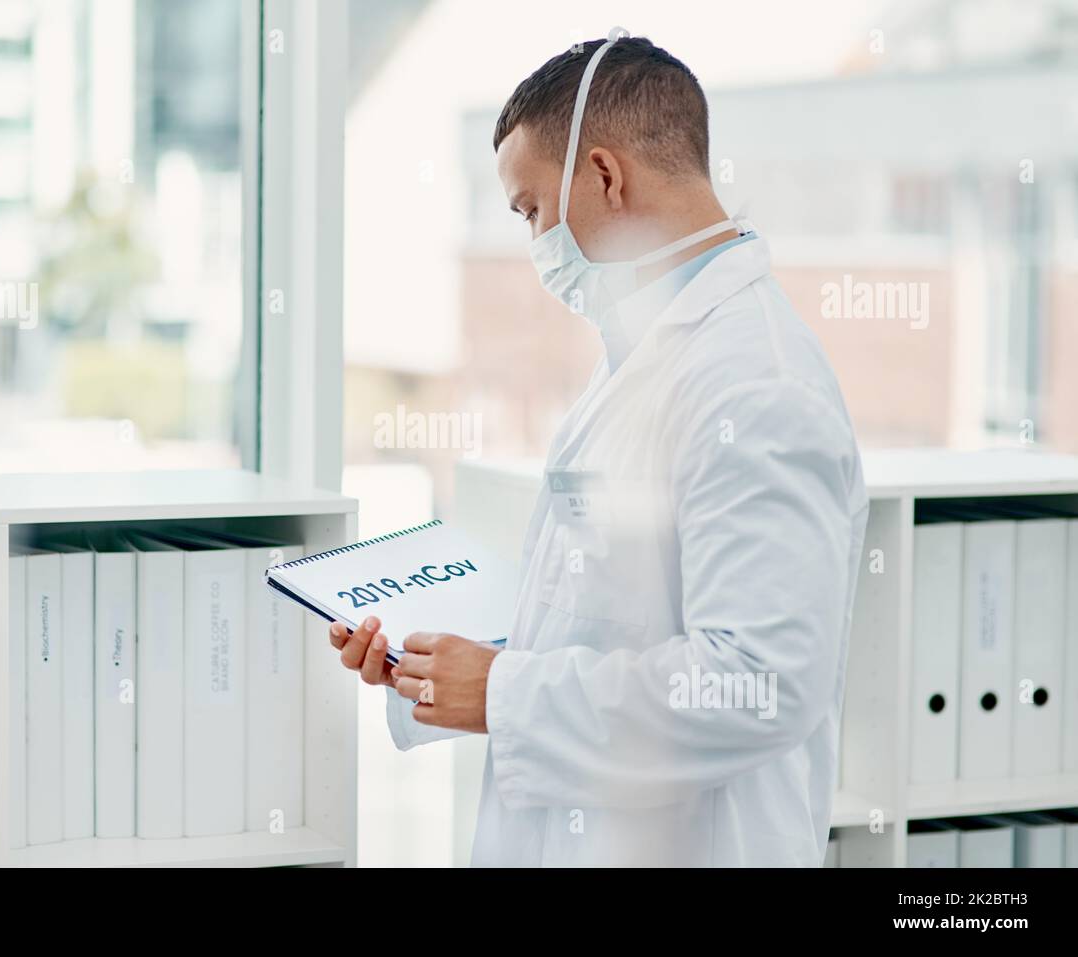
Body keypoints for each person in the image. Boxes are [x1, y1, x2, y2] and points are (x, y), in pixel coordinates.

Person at [329, 31, 869, 866]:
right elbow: (615, 620)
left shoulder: (756, 384)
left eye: (532, 209)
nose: (534, 238)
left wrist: (502, 693)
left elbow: (757, 683)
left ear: (607, 176)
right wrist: (437, 663)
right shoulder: (642, 357)